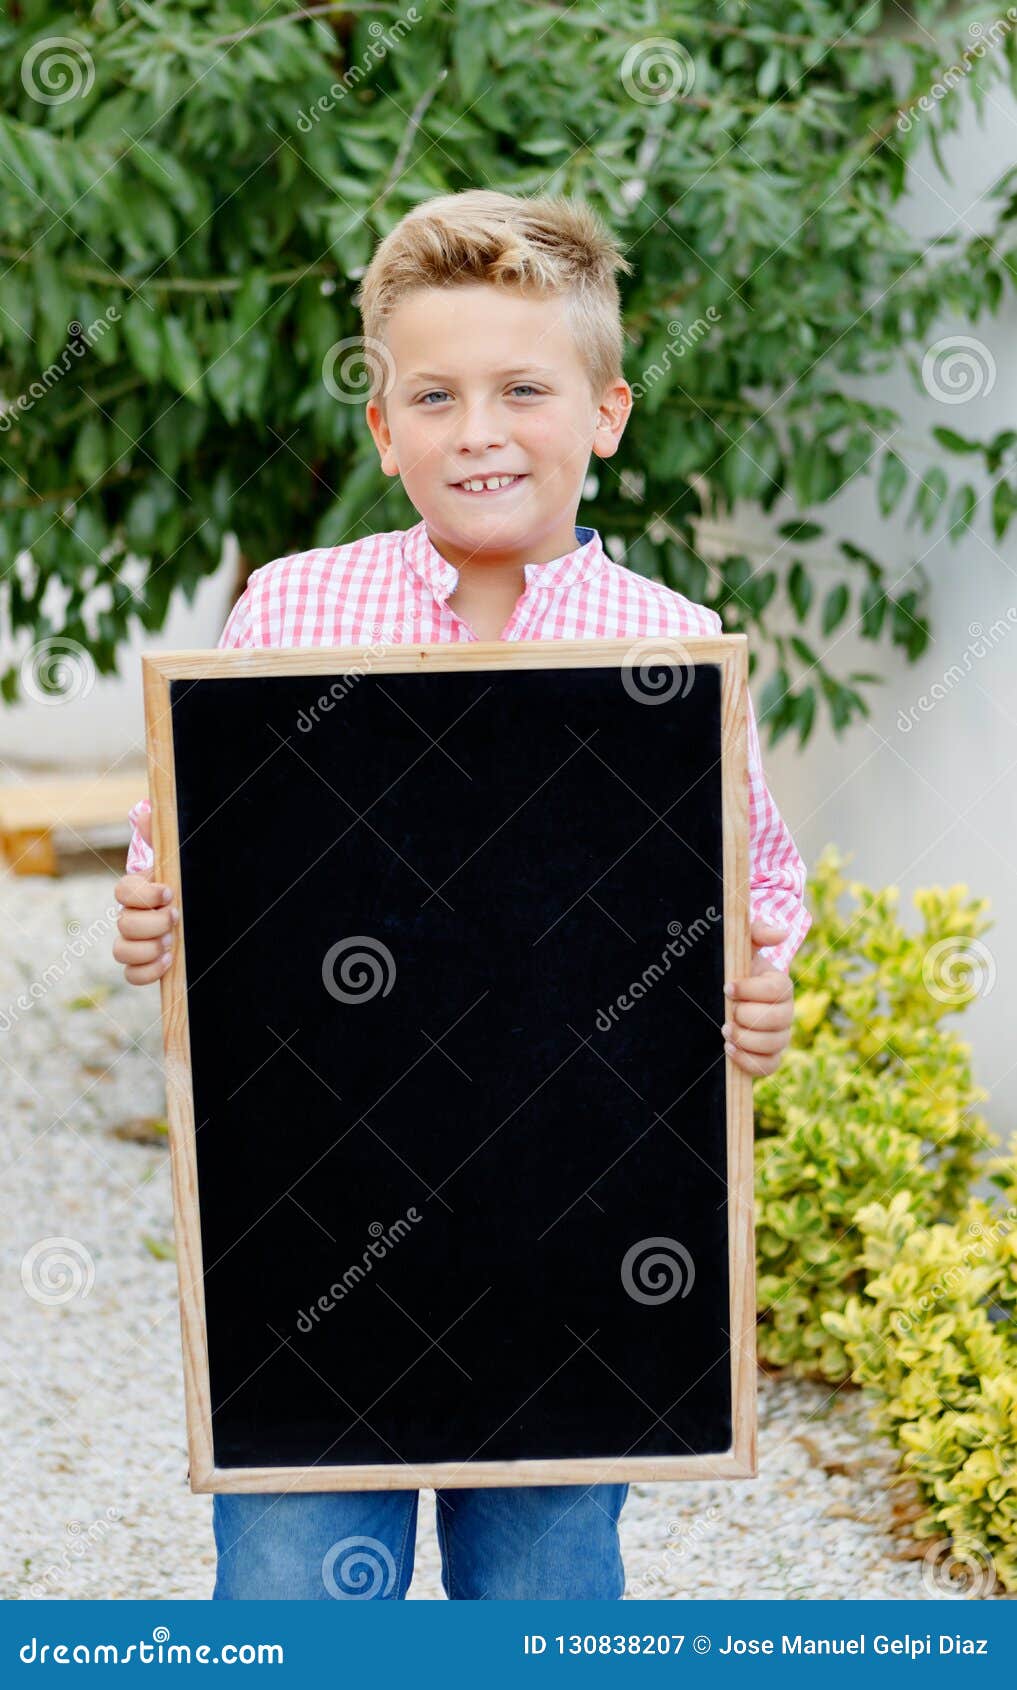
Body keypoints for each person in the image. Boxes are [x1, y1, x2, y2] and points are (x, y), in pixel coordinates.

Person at [112, 189, 811, 1601]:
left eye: (522, 389)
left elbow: (754, 893)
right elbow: (181, 865)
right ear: (383, 429)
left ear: (606, 412)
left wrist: (757, 989)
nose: (476, 429)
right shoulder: (291, 614)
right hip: (314, 1241)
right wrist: (150, 917)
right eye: (432, 394)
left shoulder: (672, 646)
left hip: (575, 1228)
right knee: (298, 1593)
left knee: (545, 1590)